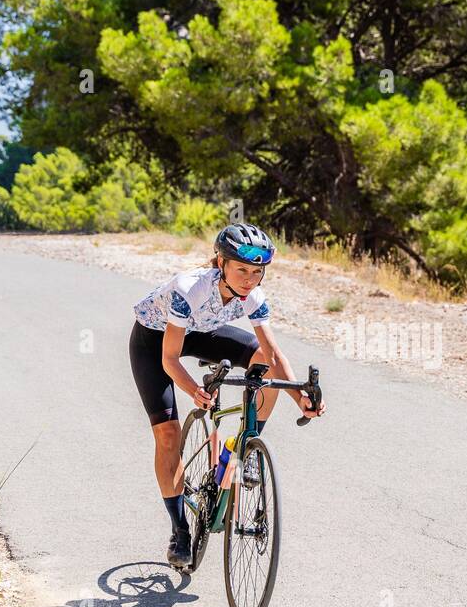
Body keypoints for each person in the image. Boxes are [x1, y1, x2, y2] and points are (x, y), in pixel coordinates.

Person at [128, 222, 325, 568]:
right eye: (241, 270)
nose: (249, 280)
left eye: (256, 272)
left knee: (264, 363)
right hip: (155, 340)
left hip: (203, 331)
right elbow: (169, 359)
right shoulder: (189, 288)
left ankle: (246, 445)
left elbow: (274, 354)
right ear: (221, 263)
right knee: (168, 435)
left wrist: (301, 397)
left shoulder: (254, 295)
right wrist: (195, 391)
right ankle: (179, 531)